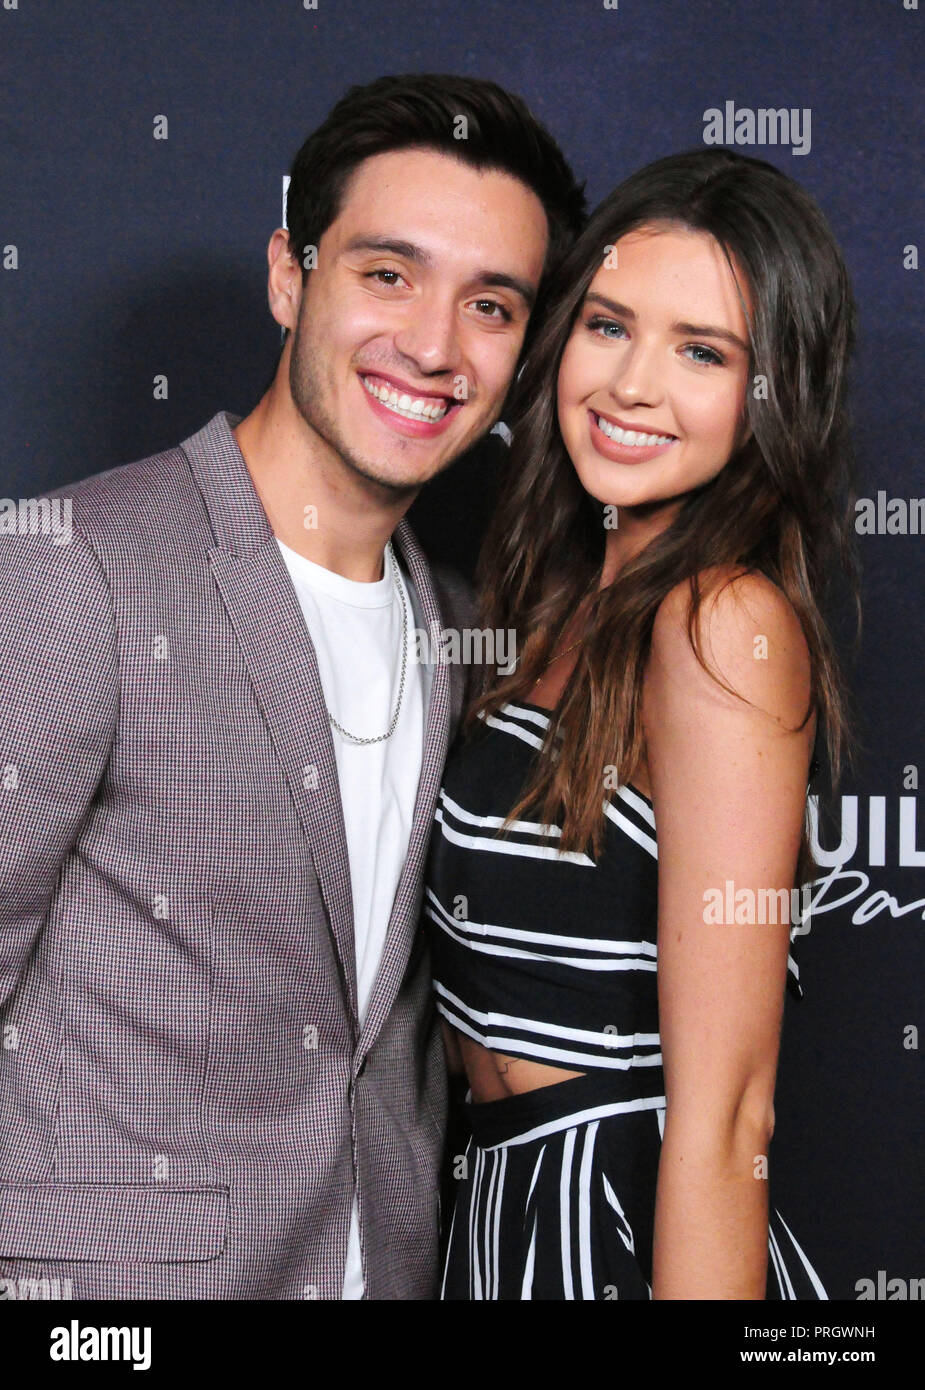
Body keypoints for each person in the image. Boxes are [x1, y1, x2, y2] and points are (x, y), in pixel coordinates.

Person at [0, 73, 585, 1299]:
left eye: (490, 304)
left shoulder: (468, 630)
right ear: (289, 276)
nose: (432, 344)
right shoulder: (75, 571)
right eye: (387, 273)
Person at [424, 148, 859, 1299]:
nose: (631, 386)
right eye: (609, 326)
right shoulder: (556, 604)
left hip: (616, 1234)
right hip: (500, 1218)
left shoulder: (724, 624)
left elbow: (726, 1110)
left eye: (702, 352)